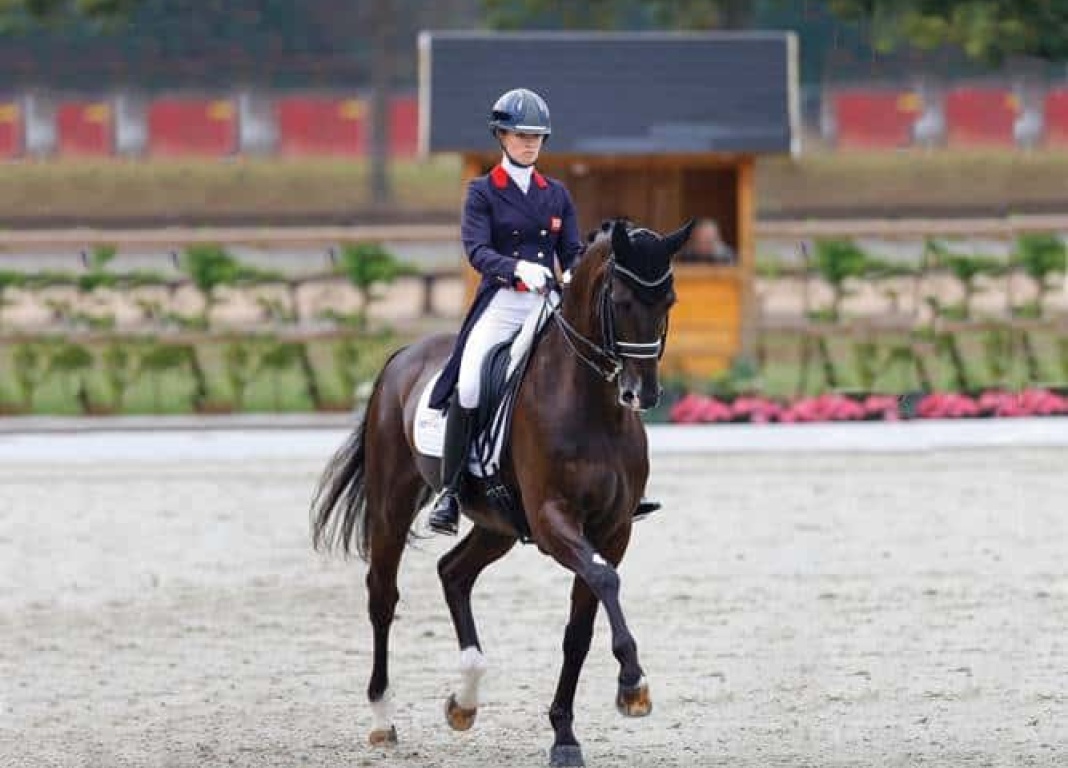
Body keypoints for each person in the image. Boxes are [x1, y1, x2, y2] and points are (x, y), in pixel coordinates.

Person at [426, 87, 660, 535]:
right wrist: (516, 269)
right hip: (501, 302)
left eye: (536, 136)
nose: (529, 143)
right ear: (501, 136)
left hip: (547, 300)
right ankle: (451, 492)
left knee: (600, 366)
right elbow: (476, 250)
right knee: (472, 380)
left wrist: (574, 276)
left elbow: (572, 250)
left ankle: (628, 482)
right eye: (520, 135)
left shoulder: (555, 194)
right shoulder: (482, 191)